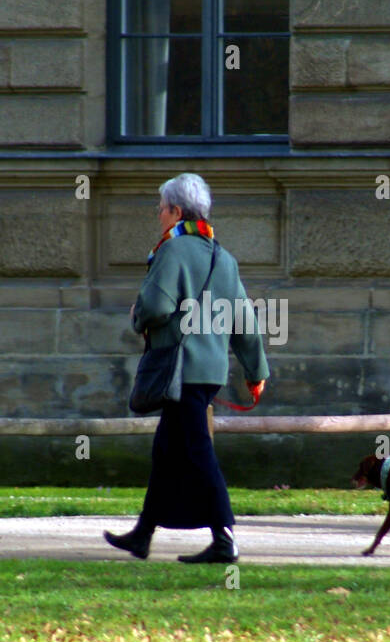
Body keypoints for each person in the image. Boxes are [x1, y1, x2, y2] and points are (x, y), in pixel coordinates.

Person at [105, 173, 269, 564]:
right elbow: (243, 318)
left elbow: (157, 306)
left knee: (197, 450)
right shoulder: (222, 256)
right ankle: (143, 534)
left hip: (181, 371)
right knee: (166, 451)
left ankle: (225, 536)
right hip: (208, 371)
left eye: (161, 208)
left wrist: (136, 316)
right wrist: (255, 370)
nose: (158, 215)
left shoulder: (173, 251)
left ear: (176, 211)